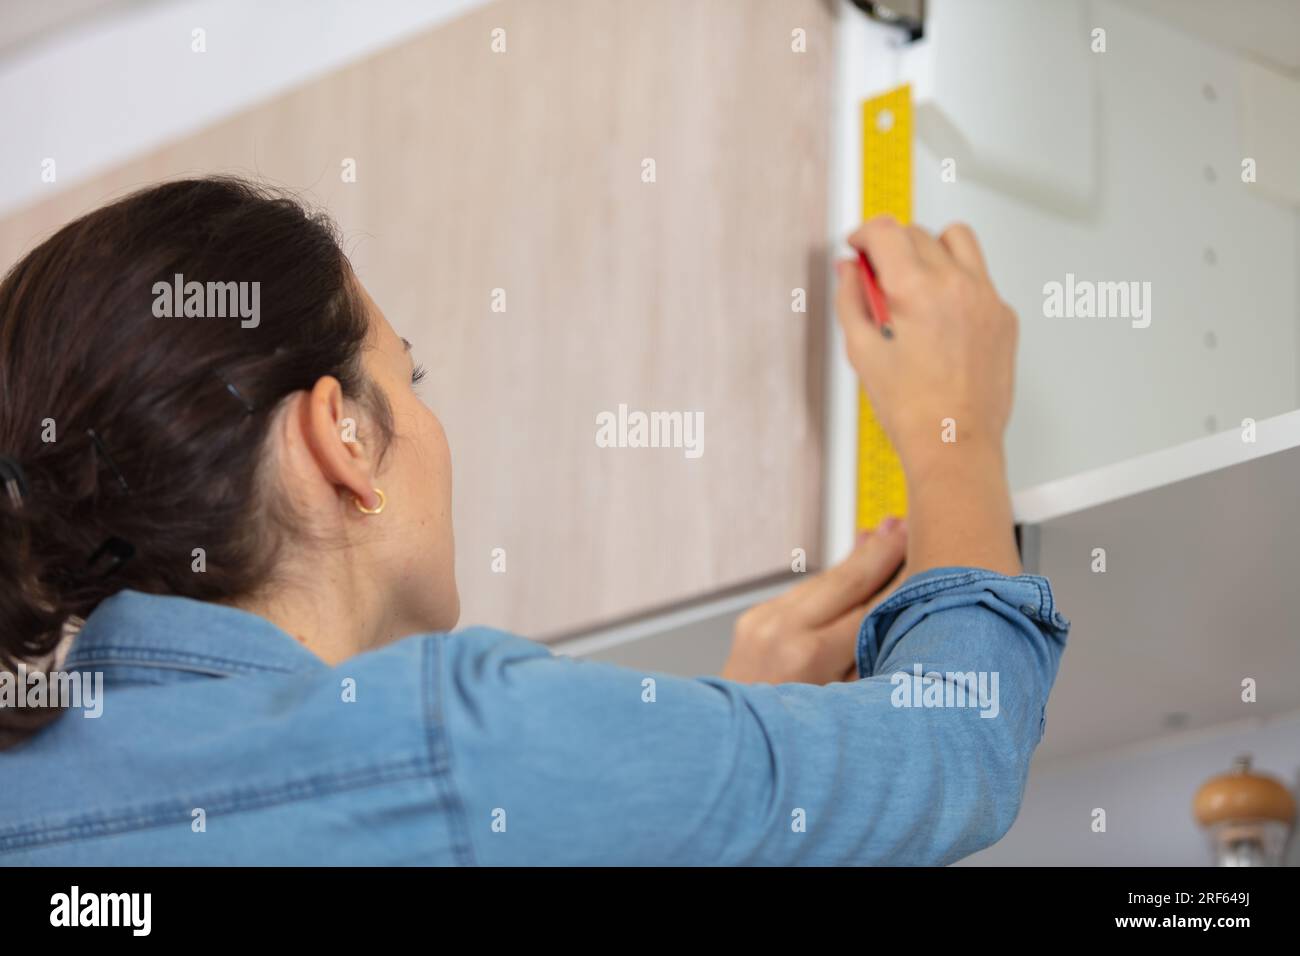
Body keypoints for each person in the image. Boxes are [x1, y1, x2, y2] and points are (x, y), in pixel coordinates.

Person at [0, 178, 1067, 865]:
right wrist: (953, 427)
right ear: (343, 439)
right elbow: (958, 743)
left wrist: (703, 744)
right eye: (406, 376)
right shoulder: (458, 737)